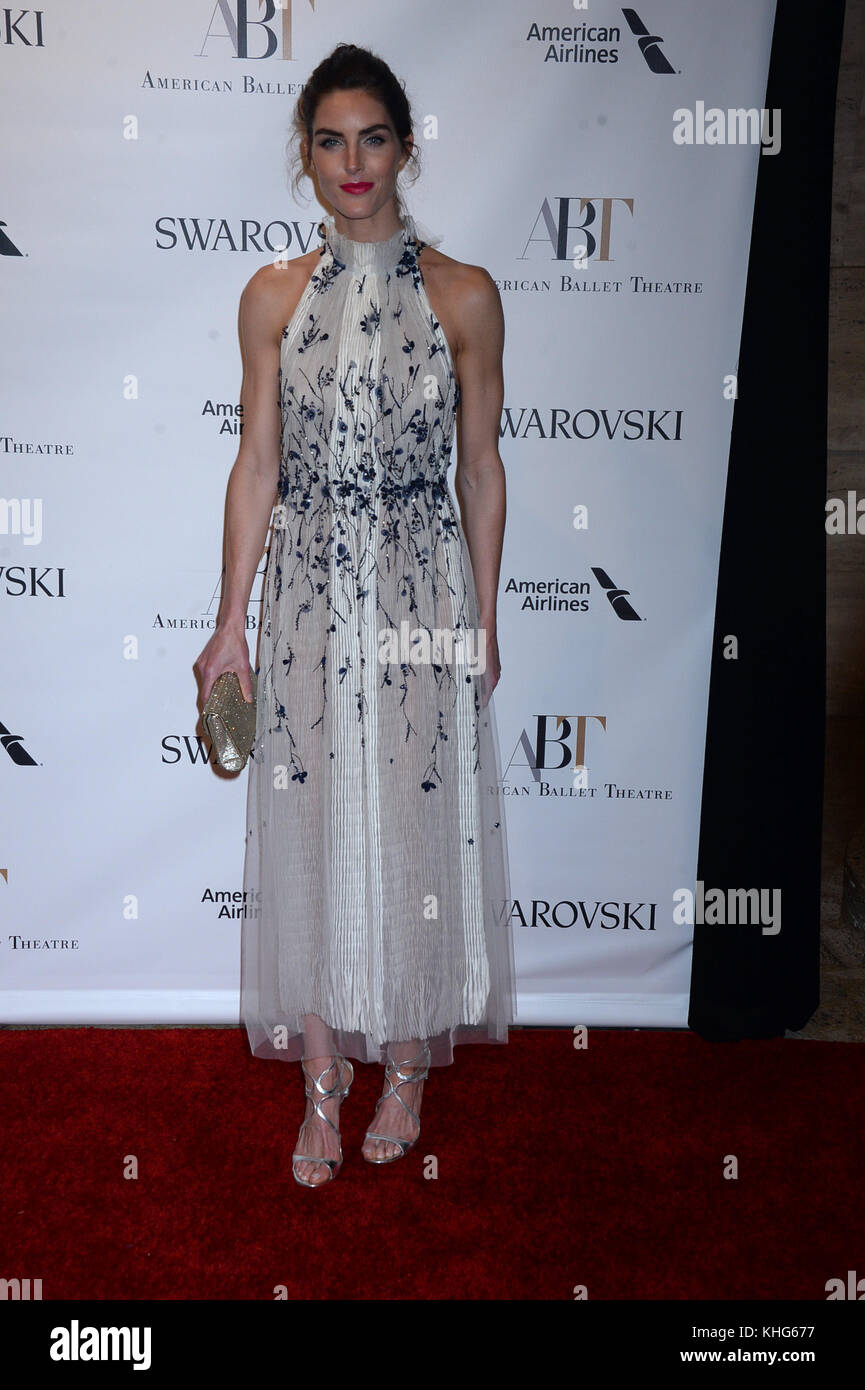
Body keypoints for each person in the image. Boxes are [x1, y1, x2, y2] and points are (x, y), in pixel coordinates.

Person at [195, 43, 516, 1187]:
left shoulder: (463, 292)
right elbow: (256, 466)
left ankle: (412, 1062)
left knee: (415, 819)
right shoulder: (273, 297)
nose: (351, 162)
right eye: (327, 140)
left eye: (371, 137)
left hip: (423, 583)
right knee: (311, 821)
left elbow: (480, 471)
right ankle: (323, 1080)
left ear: (406, 145)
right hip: (307, 594)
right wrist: (229, 619)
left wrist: (481, 615)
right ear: (304, 154)